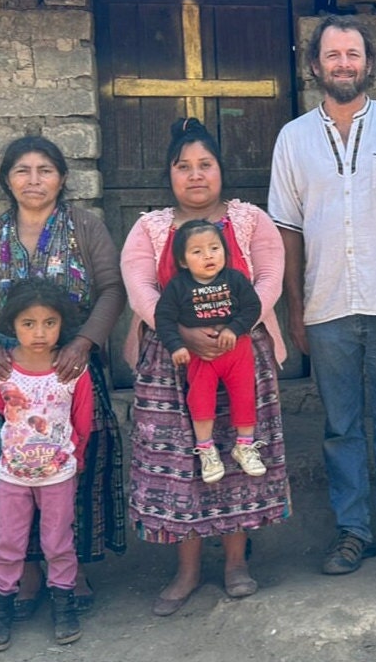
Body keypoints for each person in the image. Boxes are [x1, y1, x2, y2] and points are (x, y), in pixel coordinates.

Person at [267, 15, 376, 575]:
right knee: (339, 426)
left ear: (369, 63)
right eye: (333, 55)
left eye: (353, 54)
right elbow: (286, 226)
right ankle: (352, 529)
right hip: (326, 303)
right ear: (316, 65)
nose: (343, 64)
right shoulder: (293, 137)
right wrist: (294, 307)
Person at [0, 135, 126, 620]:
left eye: (45, 170)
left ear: (62, 178)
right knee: (10, 480)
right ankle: (23, 573)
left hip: (69, 374)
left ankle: (73, 569)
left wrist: (84, 343)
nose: (33, 179)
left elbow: (111, 290)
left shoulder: (85, 228)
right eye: (22, 170)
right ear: (7, 179)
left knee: (70, 471)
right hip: (2, 382)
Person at [121, 117, 290, 615]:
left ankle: (237, 563)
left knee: (237, 454)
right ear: (169, 175)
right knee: (184, 463)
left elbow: (270, 280)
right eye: (183, 166)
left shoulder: (250, 221)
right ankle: (188, 570)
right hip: (171, 361)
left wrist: (232, 329)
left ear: (221, 170)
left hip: (243, 354)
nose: (196, 175)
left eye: (205, 165)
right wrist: (186, 334)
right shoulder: (150, 228)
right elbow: (139, 289)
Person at [0, 278, 92, 651]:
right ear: (12, 326)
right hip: (13, 475)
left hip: (59, 474)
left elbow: (83, 419)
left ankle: (64, 604)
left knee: (58, 541)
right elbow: (4, 413)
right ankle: (1, 607)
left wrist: (74, 457)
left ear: (62, 324)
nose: (40, 332)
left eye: (50, 323)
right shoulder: (1, 371)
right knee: (9, 542)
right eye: (28, 324)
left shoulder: (72, 370)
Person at [155, 219, 266, 483]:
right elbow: (164, 318)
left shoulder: (235, 280)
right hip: (200, 356)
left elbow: (252, 307)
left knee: (244, 395)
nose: (208, 256)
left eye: (214, 248)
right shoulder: (178, 287)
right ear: (183, 261)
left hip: (236, 350)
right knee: (201, 400)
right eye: (197, 252)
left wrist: (234, 329)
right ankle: (206, 449)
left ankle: (245, 446)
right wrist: (177, 345)